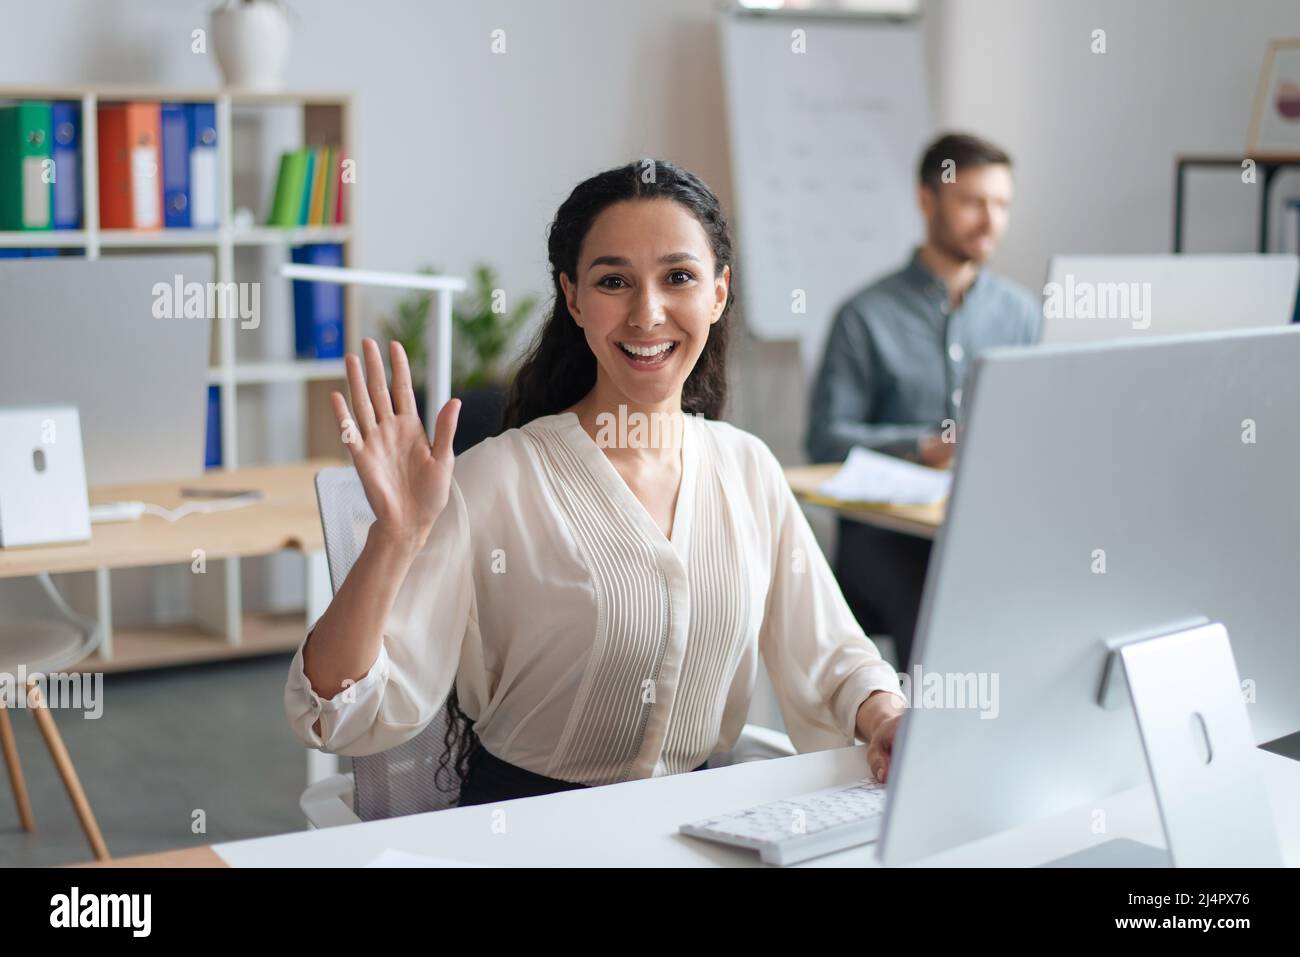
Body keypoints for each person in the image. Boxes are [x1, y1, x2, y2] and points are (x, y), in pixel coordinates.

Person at [284, 160, 907, 806]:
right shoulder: (493, 479)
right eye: (614, 281)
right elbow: (334, 708)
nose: (647, 312)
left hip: (695, 830)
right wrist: (395, 538)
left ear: (718, 294)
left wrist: (883, 713)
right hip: (525, 835)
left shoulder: (747, 468)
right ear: (574, 298)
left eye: (679, 278)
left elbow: (834, 654)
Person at [806, 133, 1040, 674]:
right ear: (926, 200)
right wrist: (921, 447)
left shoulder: (1021, 314)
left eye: (1001, 204)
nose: (990, 221)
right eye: (972, 202)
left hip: (987, 525)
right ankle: (923, 748)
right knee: (938, 592)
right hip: (885, 541)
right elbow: (825, 439)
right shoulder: (864, 316)